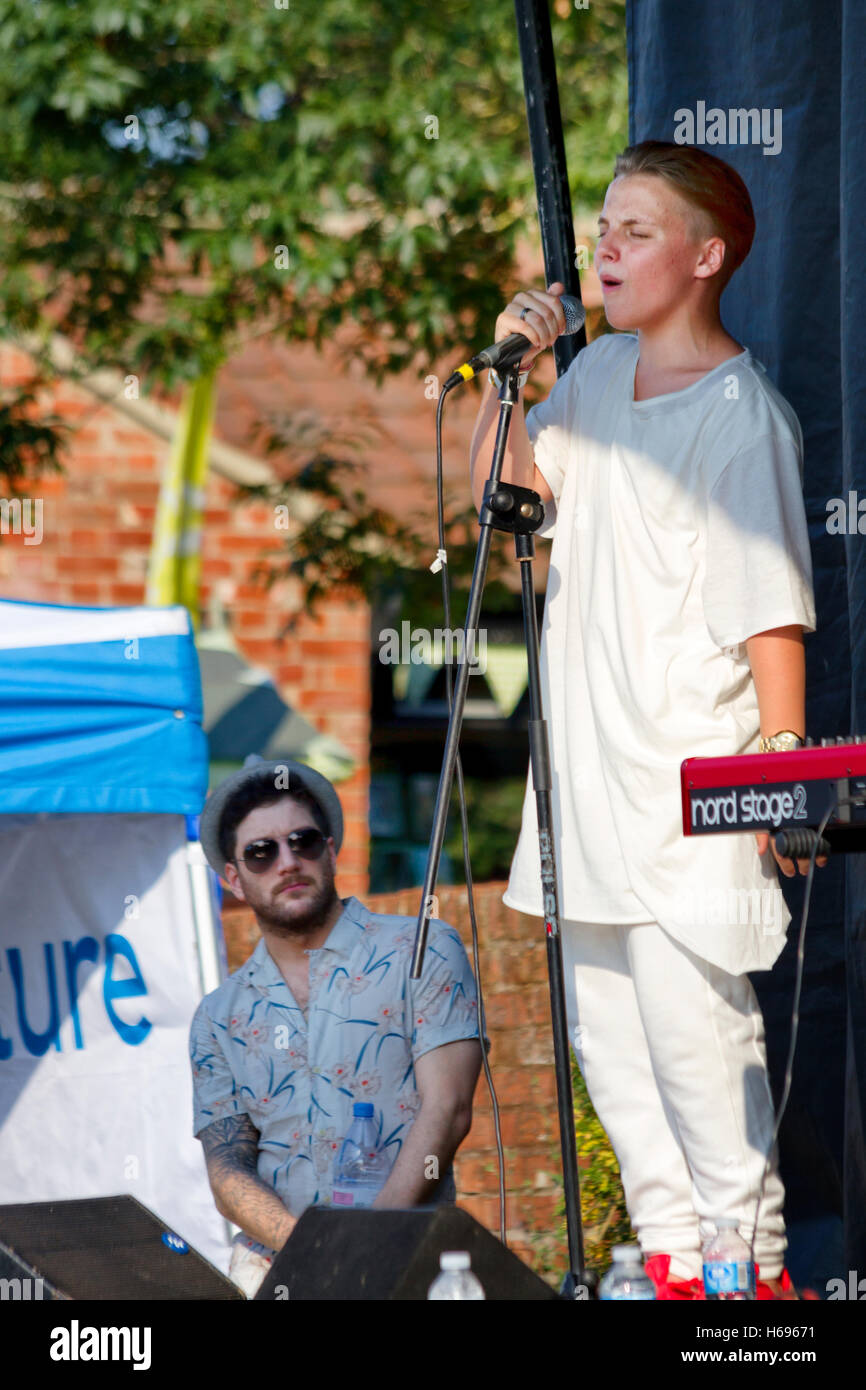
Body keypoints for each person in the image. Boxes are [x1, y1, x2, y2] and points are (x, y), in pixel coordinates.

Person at [470, 140, 823, 1299]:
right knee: (611, 1051)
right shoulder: (586, 384)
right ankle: (671, 1266)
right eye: (601, 230)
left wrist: (776, 781)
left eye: (634, 231)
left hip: (687, 788)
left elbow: (769, 613)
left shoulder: (740, 415)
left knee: (694, 1040)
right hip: (585, 785)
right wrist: (502, 377)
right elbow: (504, 497)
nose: (604, 252)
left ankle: (748, 1285)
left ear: (705, 255)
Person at [190, 757, 482, 1296]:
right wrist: (312, 1248)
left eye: (302, 841)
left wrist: (369, 1250)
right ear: (233, 877)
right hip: (281, 1272)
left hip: (410, 1263)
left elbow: (449, 1111)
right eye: (261, 852)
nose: (287, 861)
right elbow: (227, 1171)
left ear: (329, 848)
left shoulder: (421, 950)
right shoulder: (217, 1015)